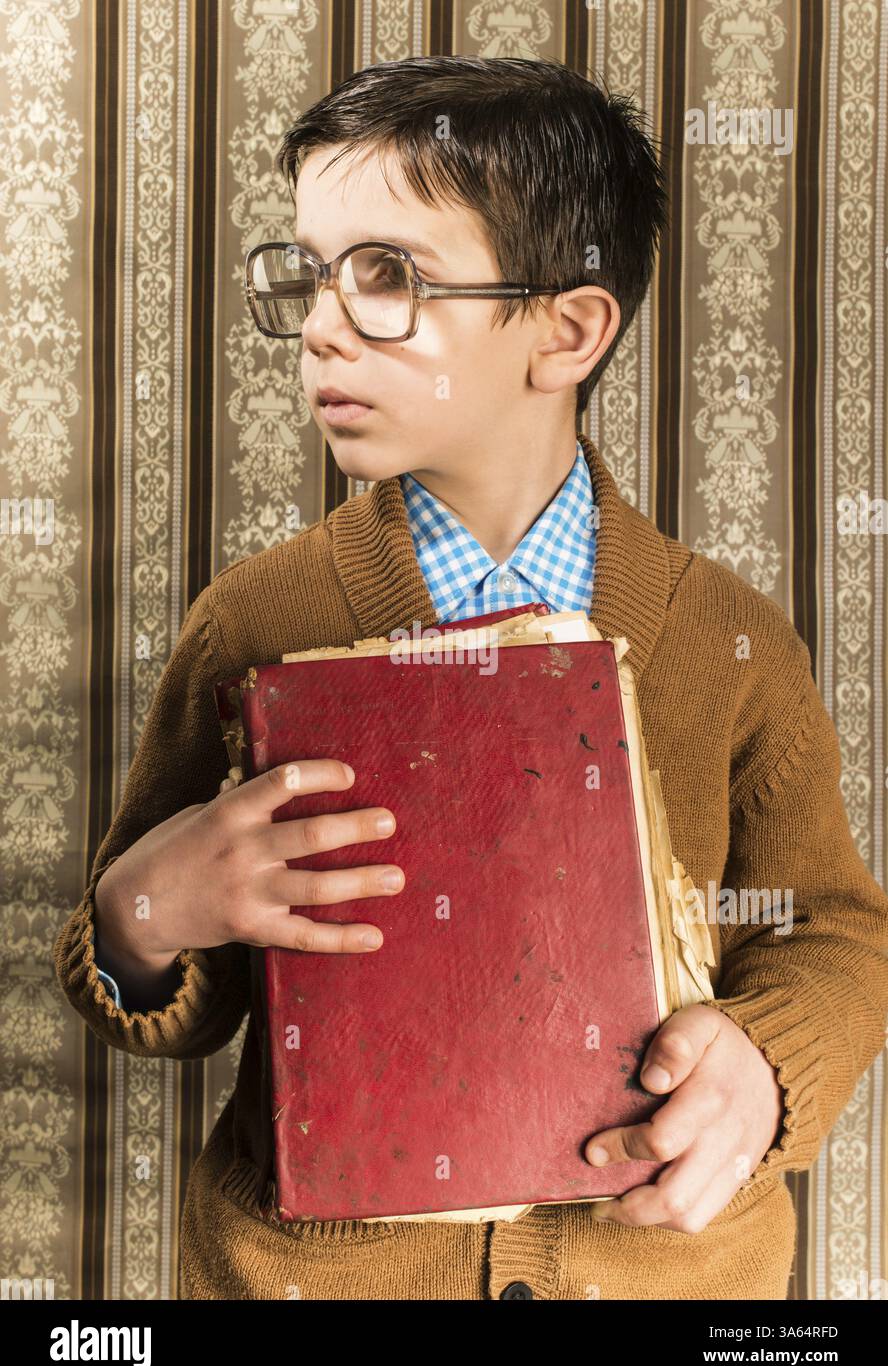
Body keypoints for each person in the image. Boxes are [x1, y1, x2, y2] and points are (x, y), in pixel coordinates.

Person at [54, 55, 888, 1301]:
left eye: (387, 275)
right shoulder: (251, 623)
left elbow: (830, 929)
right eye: (314, 273)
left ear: (567, 330)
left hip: (667, 1279)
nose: (326, 323)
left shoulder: (736, 642)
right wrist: (142, 914)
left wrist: (766, 1061)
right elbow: (162, 976)